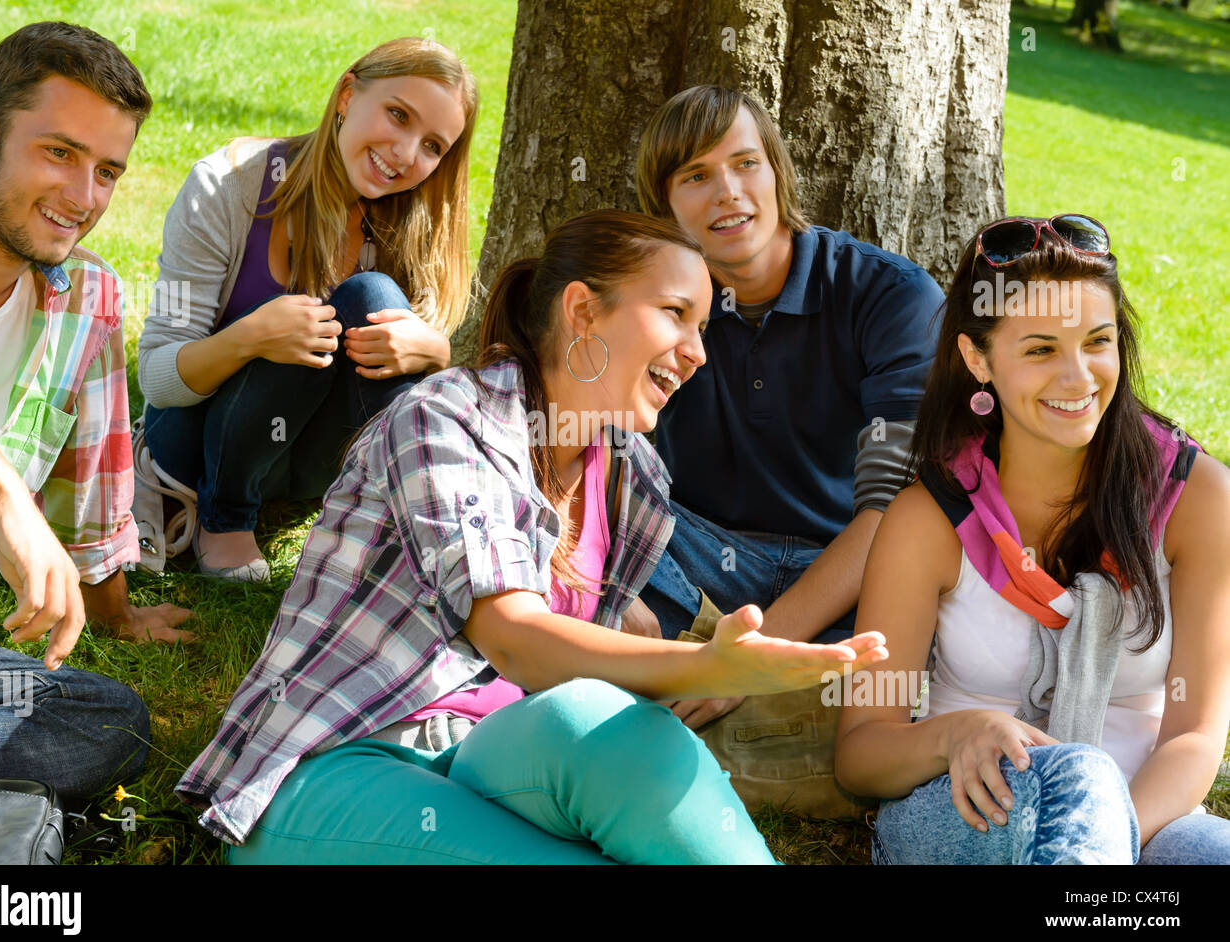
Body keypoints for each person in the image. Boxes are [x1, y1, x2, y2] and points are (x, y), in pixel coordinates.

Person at [176, 210, 888, 863]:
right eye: (676, 313)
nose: (698, 351)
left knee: (618, 726)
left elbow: (582, 677)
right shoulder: (446, 416)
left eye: (703, 325)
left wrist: (722, 661)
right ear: (582, 310)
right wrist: (709, 667)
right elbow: (514, 637)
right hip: (344, 759)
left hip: (487, 756)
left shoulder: (631, 474)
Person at [835, 214, 1230, 864]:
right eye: (1041, 349)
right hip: (974, 812)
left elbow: (1194, 739)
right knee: (1086, 777)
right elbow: (860, 752)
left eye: (1097, 342)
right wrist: (955, 733)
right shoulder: (932, 516)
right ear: (977, 358)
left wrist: (1107, 835)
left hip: (1147, 817)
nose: (1078, 377)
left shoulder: (1194, 497)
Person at [631, 85, 943, 732]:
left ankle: (708, 674)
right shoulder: (651, 302)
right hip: (699, 556)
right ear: (664, 205)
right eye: (695, 176)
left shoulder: (891, 297)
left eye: (746, 163)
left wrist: (751, 659)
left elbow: (890, 513)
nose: (728, 192)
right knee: (598, 488)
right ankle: (666, 670)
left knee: (927, 605)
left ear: (778, 171)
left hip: (851, 571)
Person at [0, 22, 186, 799]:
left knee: (106, 721)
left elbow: (94, 474)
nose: (83, 198)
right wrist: (6, 498)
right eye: (59, 153)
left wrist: (113, 607)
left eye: (107, 170)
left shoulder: (90, 295)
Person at [137, 38, 478, 581]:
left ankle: (406, 529)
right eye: (397, 114)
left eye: (433, 145)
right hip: (195, 451)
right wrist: (248, 337)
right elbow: (156, 379)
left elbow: (406, 385)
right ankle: (224, 522)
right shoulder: (225, 188)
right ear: (347, 95)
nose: (407, 155)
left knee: (373, 299)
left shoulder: (408, 221)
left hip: (303, 465)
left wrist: (436, 351)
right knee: (303, 315)